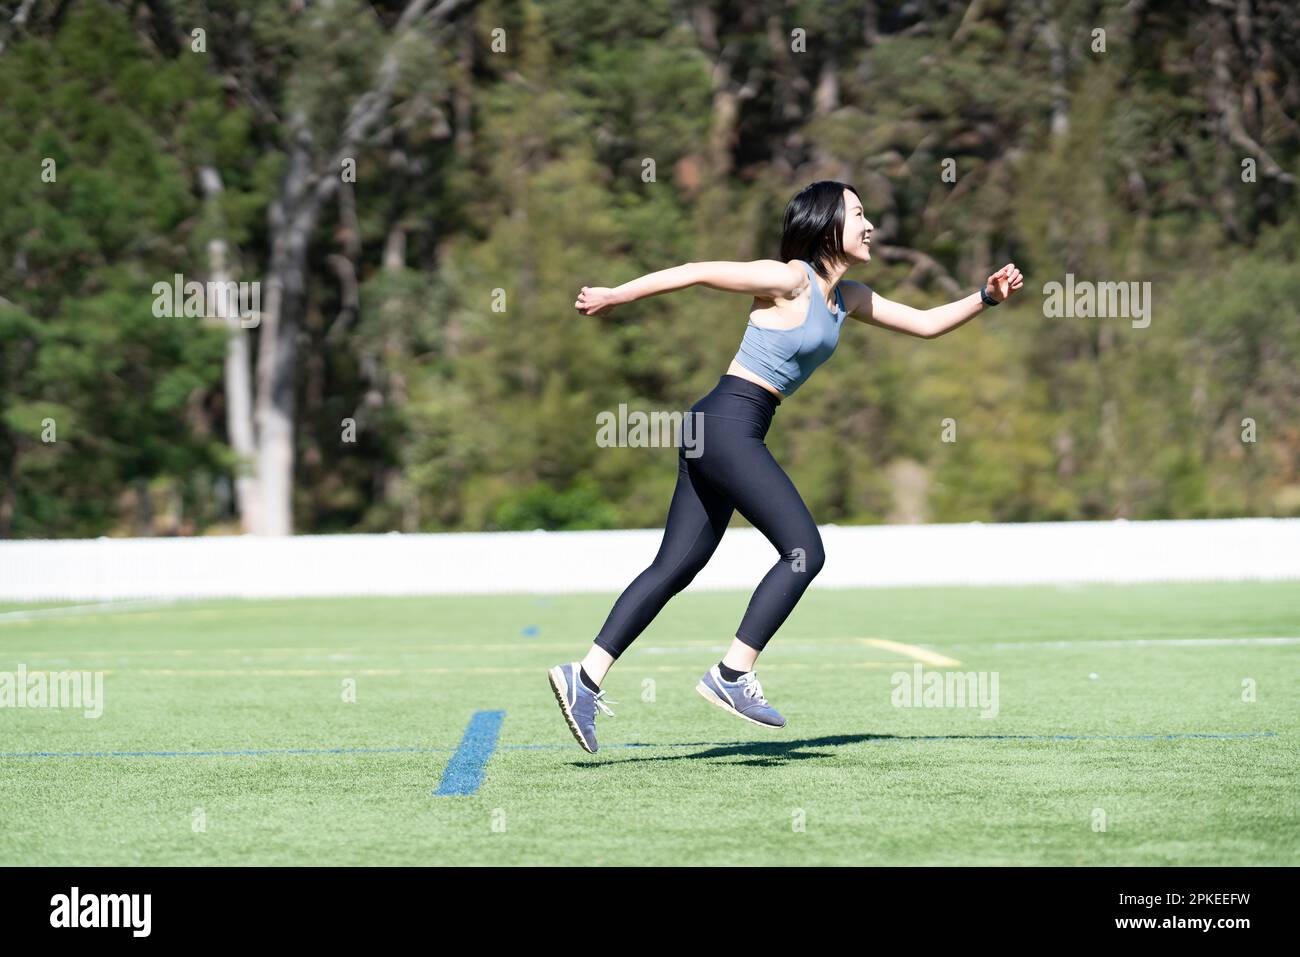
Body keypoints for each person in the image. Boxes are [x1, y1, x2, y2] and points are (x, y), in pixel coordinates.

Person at [548, 180, 1024, 752]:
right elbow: (699, 269)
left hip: (722, 427)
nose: (869, 225)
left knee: (676, 566)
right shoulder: (790, 278)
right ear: (827, 226)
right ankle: (731, 675)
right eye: (858, 214)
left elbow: (924, 325)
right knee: (804, 551)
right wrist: (615, 295)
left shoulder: (846, 298)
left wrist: (987, 296)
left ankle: (585, 676)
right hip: (726, 423)